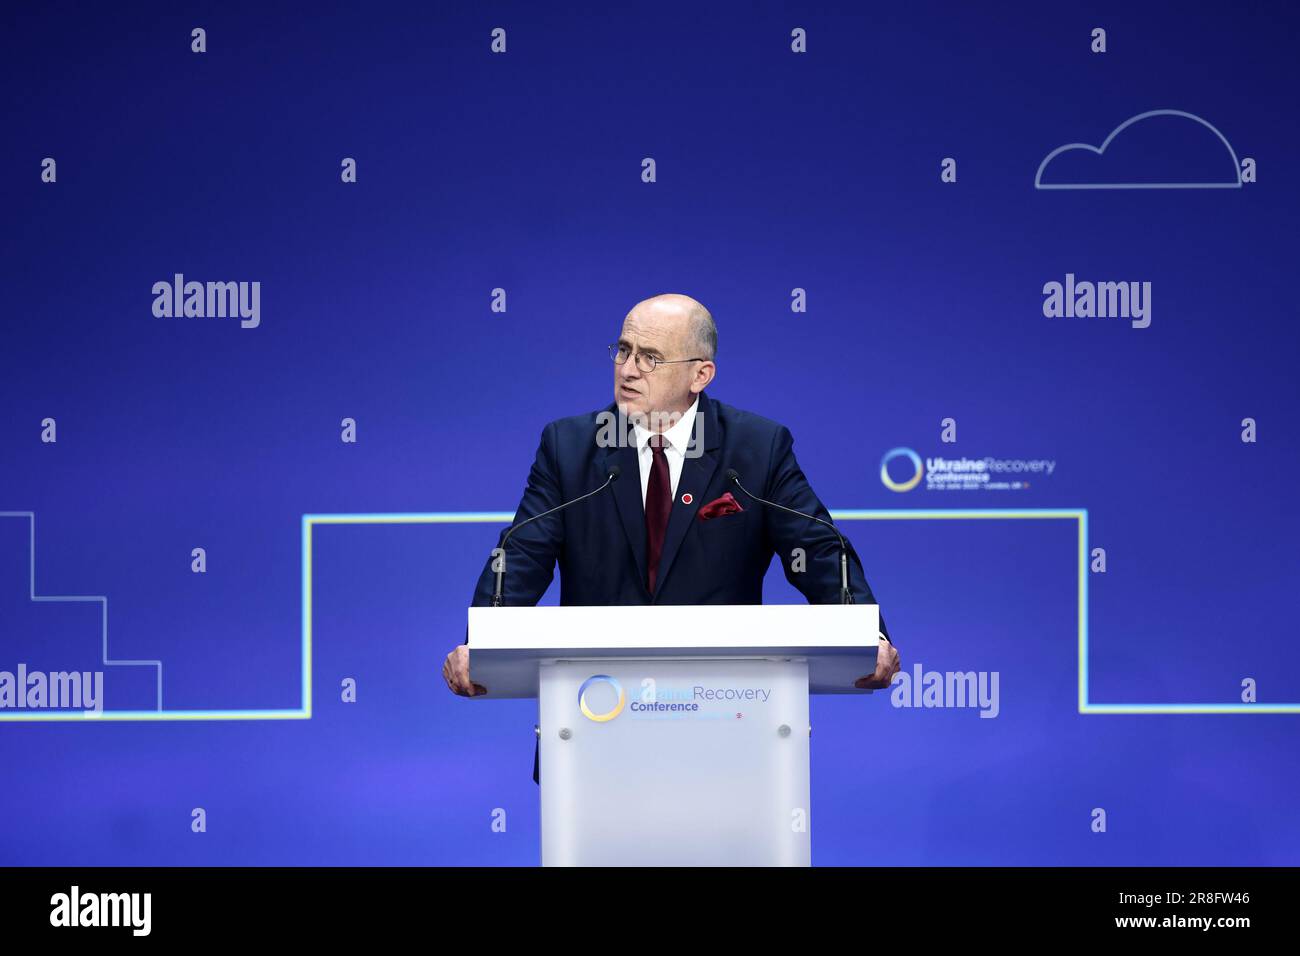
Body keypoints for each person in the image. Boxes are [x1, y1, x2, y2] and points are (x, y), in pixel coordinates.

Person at [441, 293, 900, 779]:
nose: (628, 369)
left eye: (650, 357)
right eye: (623, 350)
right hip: (595, 722)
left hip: (729, 726)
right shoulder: (570, 447)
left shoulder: (755, 448)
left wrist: (864, 634)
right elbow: (522, 554)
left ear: (700, 375)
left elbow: (820, 549)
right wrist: (482, 644)